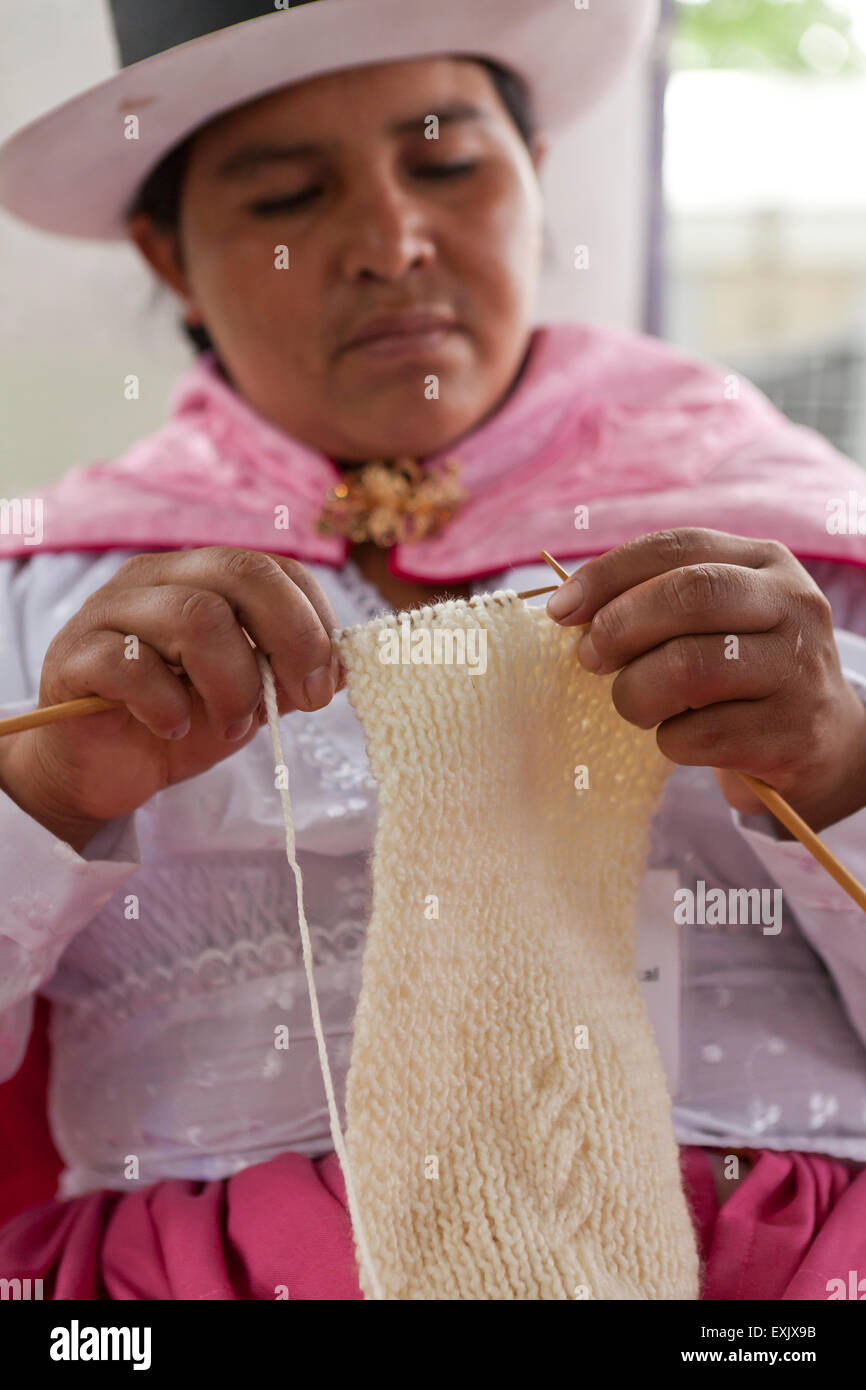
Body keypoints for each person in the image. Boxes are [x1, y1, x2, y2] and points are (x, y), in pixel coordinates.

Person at [0, 0, 864, 1301]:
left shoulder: (787, 547)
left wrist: (837, 762)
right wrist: (46, 796)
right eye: (289, 195)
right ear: (166, 255)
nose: (390, 242)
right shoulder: (49, 594)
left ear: (534, 177)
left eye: (448, 163)